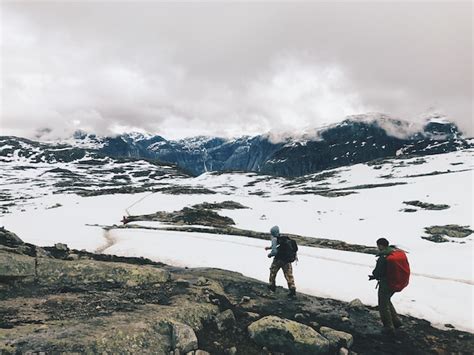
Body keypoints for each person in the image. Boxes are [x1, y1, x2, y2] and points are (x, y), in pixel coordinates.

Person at [370, 237, 403, 335]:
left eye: (378, 245)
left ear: (381, 245)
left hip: (386, 283)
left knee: (383, 304)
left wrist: (374, 275)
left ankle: (388, 326)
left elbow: (378, 272)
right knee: (387, 300)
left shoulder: (383, 257)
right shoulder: (394, 252)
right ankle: (396, 322)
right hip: (395, 282)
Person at [266, 226, 297, 297]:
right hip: (287, 260)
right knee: (289, 275)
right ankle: (292, 290)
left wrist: (270, 255)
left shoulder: (274, 239)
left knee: (273, 272)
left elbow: (274, 251)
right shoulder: (283, 239)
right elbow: (278, 246)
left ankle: (272, 287)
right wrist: (269, 247)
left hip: (278, 259)